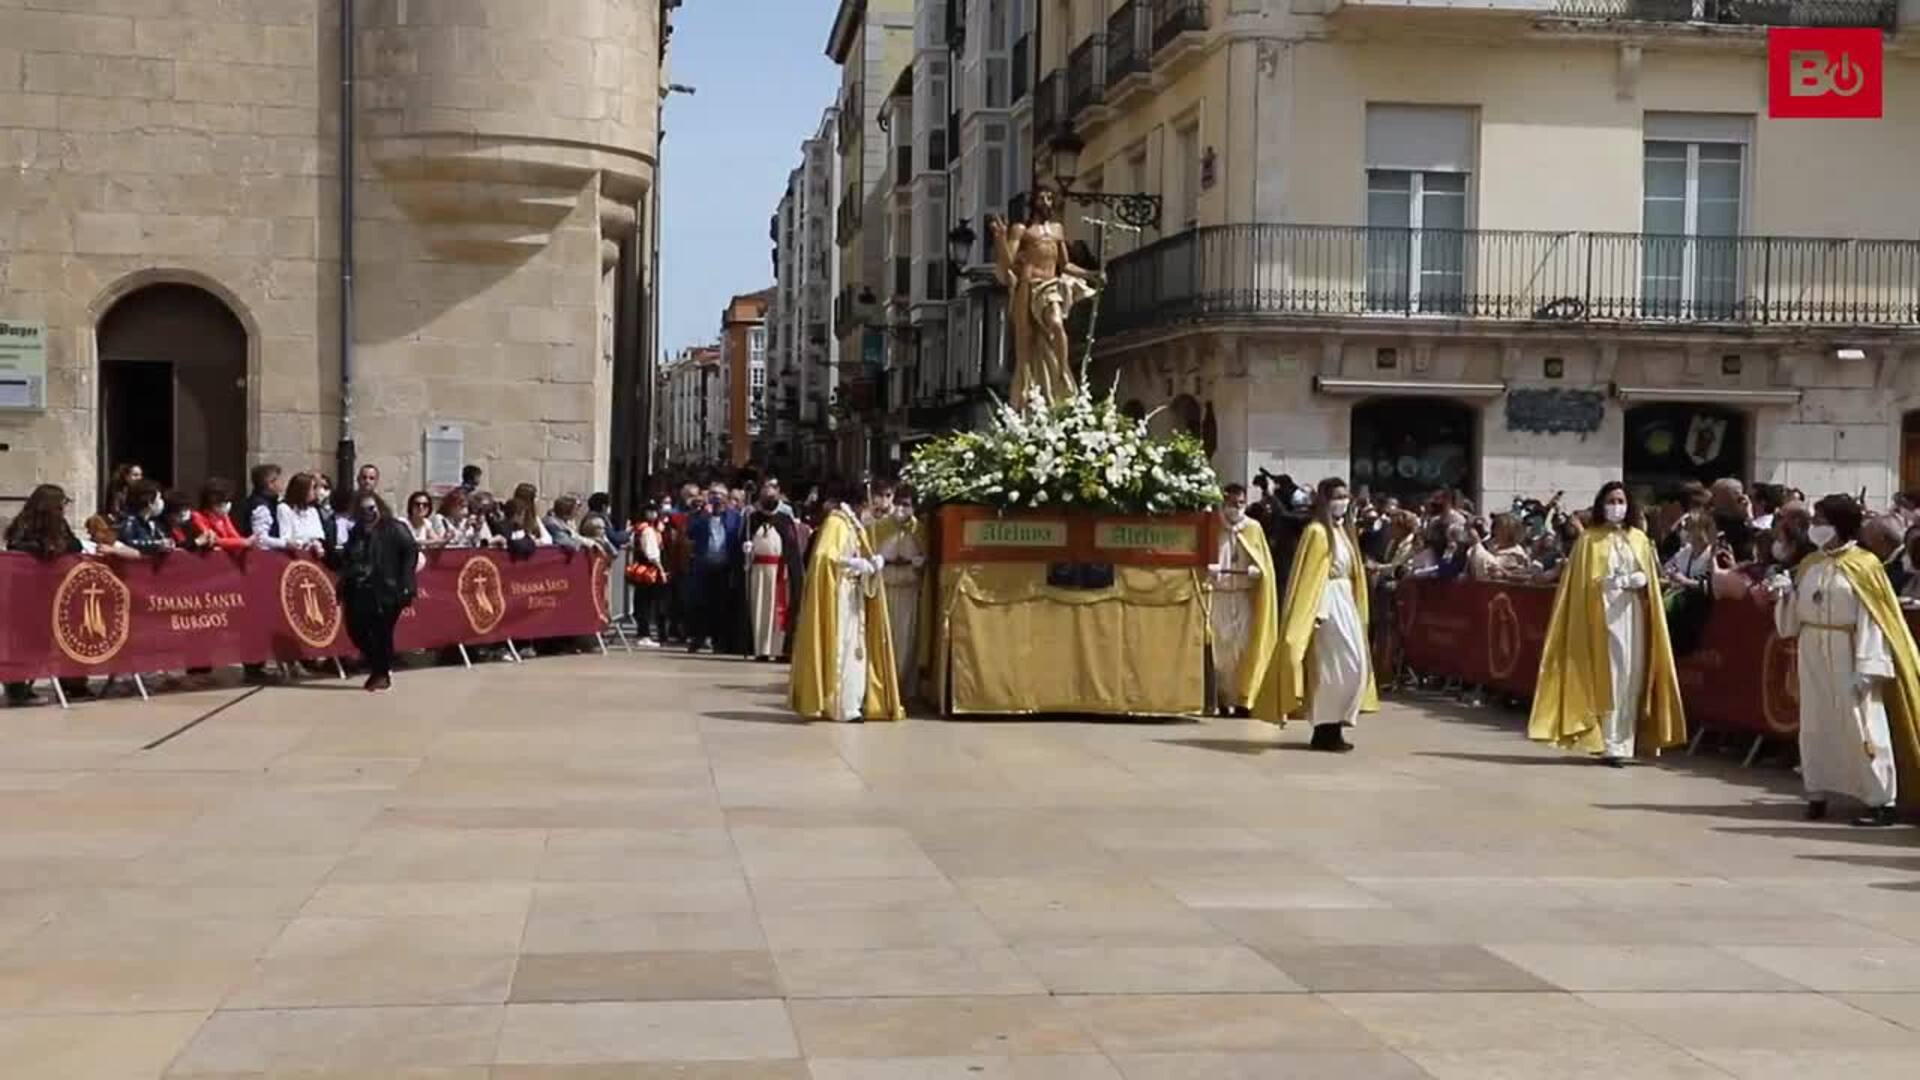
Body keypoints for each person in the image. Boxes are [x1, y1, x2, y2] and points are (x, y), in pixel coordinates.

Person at [1770, 494, 1920, 827]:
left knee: (1862, 726)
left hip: (1849, 652)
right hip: (1813, 651)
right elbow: (1793, 622)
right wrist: (1786, 595)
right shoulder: (1810, 564)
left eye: (1822, 521)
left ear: (1840, 524)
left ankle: (1880, 799)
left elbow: (1873, 618)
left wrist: (1868, 667)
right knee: (1816, 724)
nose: (1816, 528)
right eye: (1815, 521)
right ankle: (1818, 792)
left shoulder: (1864, 565)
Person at [1529, 482, 1686, 766]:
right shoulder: (1589, 540)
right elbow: (1581, 584)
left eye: (1621, 500)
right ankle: (1610, 741)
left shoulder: (1638, 538)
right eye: (1611, 501)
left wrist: (1636, 580)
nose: (1616, 506)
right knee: (1612, 676)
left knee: (1632, 675)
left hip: (1634, 615)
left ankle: (1627, 740)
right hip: (1603, 618)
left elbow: (1649, 575)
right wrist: (1606, 584)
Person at [1255, 477, 1375, 752]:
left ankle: (1336, 723)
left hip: (1345, 601)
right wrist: (1316, 612)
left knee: (1354, 666)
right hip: (1326, 605)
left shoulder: (1345, 531)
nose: (1342, 502)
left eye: (1345, 496)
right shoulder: (1317, 532)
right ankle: (1325, 729)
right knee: (1332, 668)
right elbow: (1309, 578)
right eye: (1336, 496)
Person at [789, 481, 904, 722]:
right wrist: (853, 563)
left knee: (855, 649)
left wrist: (872, 564)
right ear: (859, 503)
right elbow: (825, 556)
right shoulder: (836, 522)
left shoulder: (853, 524)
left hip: (854, 592)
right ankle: (839, 704)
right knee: (842, 647)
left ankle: (852, 701)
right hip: (839, 593)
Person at [987, 181, 1104, 407]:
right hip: (1028, 287)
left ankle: (1062, 372)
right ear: (1034, 202)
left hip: (1050, 286)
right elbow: (1010, 263)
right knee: (1026, 345)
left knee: (1056, 324)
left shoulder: (1058, 230)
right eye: (1042, 198)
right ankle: (1024, 393)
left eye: (1050, 198)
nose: (1047, 202)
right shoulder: (1022, 230)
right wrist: (1001, 239)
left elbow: (1065, 265)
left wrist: (1091, 274)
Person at [5, 485, 92, 706]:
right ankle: (16, 689)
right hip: (27, 593)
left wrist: (58, 546)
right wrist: (42, 548)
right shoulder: (23, 524)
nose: (64, 508)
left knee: (59, 637)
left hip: (56, 591)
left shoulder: (59, 525)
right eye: (61, 503)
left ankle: (72, 682)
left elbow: (75, 544)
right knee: (25, 642)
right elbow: (15, 546)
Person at [338, 492, 418, 692]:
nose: (369, 513)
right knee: (356, 630)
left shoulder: (395, 527)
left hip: (389, 590)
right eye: (364, 509)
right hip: (359, 589)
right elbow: (348, 559)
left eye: (372, 508)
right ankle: (380, 667)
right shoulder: (356, 531)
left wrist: (406, 582)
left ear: (379, 507)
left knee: (382, 633)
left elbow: (410, 551)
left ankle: (381, 673)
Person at [1209, 483, 1277, 718]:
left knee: (1243, 646)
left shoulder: (1253, 527)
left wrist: (1258, 571)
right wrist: (1211, 570)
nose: (1236, 508)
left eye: (1240, 503)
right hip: (1220, 594)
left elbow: (1263, 558)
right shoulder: (1214, 526)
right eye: (1232, 504)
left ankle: (1243, 697)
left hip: (1243, 595)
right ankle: (1221, 698)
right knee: (1222, 647)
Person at [870, 484, 926, 693]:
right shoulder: (881, 527)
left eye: (908, 505)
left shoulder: (919, 529)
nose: (903, 509)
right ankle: (882, 685)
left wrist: (919, 562)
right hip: (885, 589)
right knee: (886, 638)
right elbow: (869, 552)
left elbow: (927, 558)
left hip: (909, 592)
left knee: (906, 641)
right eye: (900, 504)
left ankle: (902, 687)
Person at [685, 484, 742, 653]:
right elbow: (690, 533)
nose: (716, 498)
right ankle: (698, 638)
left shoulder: (734, 517)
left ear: (726, 497)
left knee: (721, 606)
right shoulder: (700, 515)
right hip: (704, 566)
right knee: (700, 604)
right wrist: (704, 516)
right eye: (713, 495)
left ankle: (719, 642)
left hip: (724, 567)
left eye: (720, 495)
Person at [744, 488, 800, 661]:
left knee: (777, 613)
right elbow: (742, 540)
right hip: (758, 572)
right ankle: (761, 649)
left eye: (772, 497)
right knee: (760, 609)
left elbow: (792, 547)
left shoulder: (785, 520)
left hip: (779, 573)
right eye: (766, 497)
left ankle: (779, 649)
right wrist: (746, 549)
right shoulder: (751, 519)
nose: (769, 499)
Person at [627, 505, 669, 646]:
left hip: (640, 569)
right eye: (650, 511)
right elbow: (653, 554)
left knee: (641, 601)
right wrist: (661, 570)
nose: (653, 514)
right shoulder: (648, 530)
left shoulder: (637, 528)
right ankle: (645, 634)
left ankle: (642, 633)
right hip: (650, 571)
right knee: (650, 603)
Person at [191, 479, 254, 552]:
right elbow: (214, 540)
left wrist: (245, 542)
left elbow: (234, 535)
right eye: (222, 503)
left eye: (228, 502)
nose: (227, 505)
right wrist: (243, 542)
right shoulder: (197, 517)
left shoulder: (224, 517)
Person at [275, 473, 329, 557]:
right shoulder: (284, 508)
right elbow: (285, 537)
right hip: (294, 555)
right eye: (312, 488)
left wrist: (317, 544)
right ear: (303, 490)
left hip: (312, 555)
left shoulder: (313, 510)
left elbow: (319, 534)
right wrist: (303, 543)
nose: (315, 492)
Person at [117, 480, 174, 555]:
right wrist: (156, 545)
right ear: (150, 502)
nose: (161, 502)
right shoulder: (129, 521)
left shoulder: (154, 524)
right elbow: (128, 542)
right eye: (159, 498)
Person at [239, 463, 283, 543]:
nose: (281, 482)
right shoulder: (258, 505)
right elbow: (261, 538)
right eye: (278, 480)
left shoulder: (276, 502)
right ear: (270, 483)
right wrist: (284, 543)